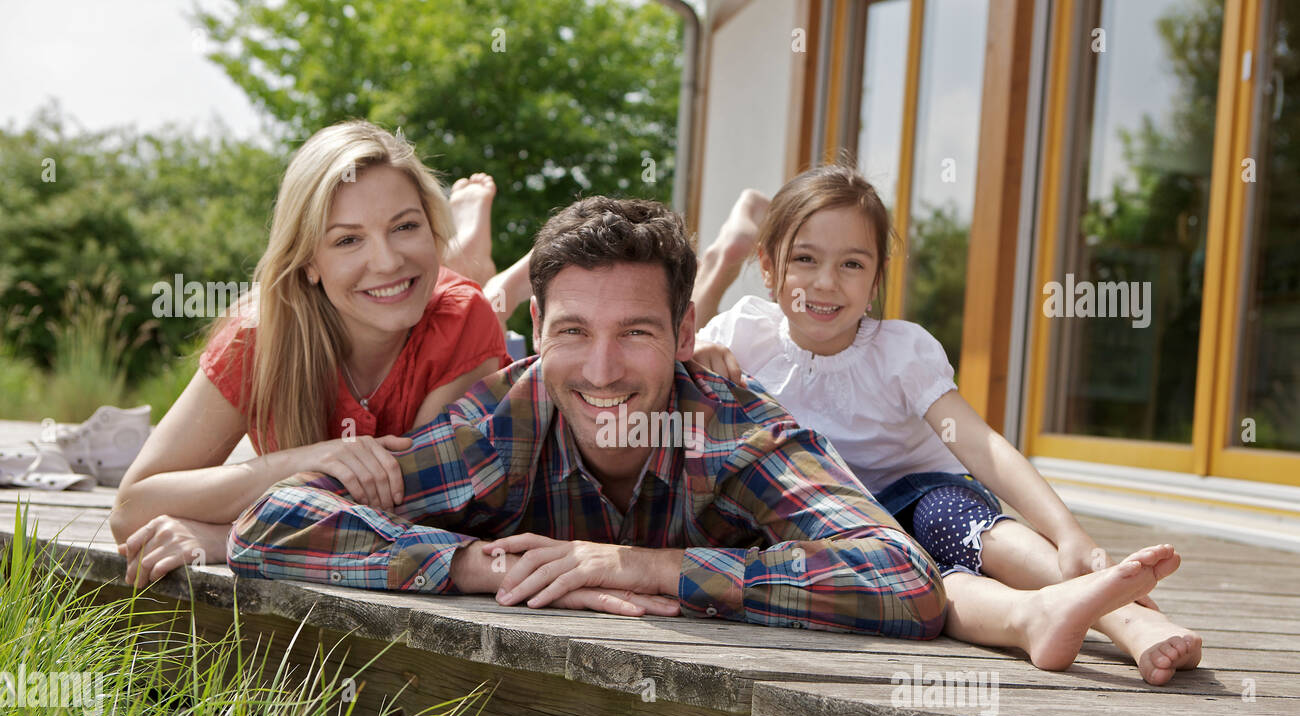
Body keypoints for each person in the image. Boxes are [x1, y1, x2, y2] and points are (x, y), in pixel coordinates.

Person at [227, 196, 950, 637]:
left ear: (686, 333)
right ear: (536, 325)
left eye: (636, 333)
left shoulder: (737, 428)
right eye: (573, 332)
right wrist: (479, 567)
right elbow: (270, 523)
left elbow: (904, 585)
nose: (601, 371)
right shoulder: (500, 423)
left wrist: (645, 569)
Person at [691, 166, 1201, 685]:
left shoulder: (900, 352)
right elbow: (664, 365)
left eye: (852, 263)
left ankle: (1133, 621)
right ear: (768, 266)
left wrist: (1067, 533)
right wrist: (691, 357)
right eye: (805, 259)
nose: (826, 282)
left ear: (875, 280)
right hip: (834, 521)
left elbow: (981, 444)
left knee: (953, 524)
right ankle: (1034, 622)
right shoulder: (742, 333)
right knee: (929, 586)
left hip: (918, 494)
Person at [110, 120, 516, 587]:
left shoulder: (462, 320)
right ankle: (467, 250)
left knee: (477, 294)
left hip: (474, 337)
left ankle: (472, 256)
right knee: (405, 281)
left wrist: (227, 537)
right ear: (308, 261)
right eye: (347, 239)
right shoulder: (259, 334)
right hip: (400, 297)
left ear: (429, 228)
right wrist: (308, 459)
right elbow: (130, 509)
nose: (384, 258)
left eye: (405, 226)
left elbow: (425, 515)